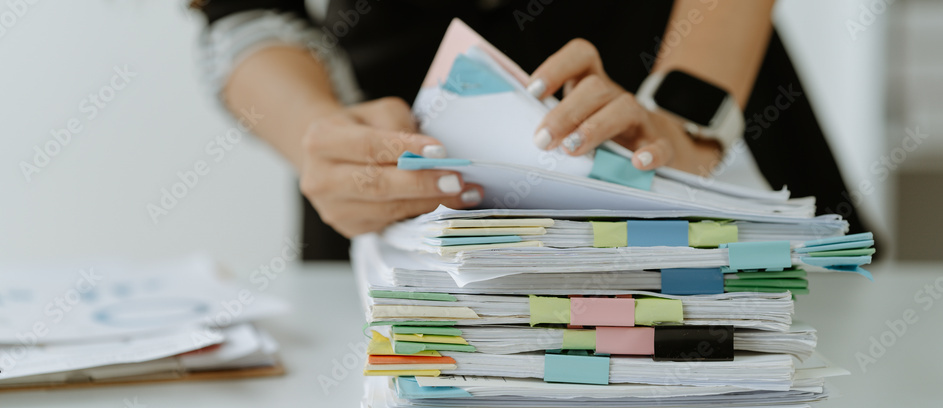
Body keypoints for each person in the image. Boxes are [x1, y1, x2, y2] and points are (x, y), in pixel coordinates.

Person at [194, 0, 870, 259]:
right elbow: (242, 10)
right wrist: (319, 133)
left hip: (683, 81)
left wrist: (685, 118)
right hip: (388, 165)